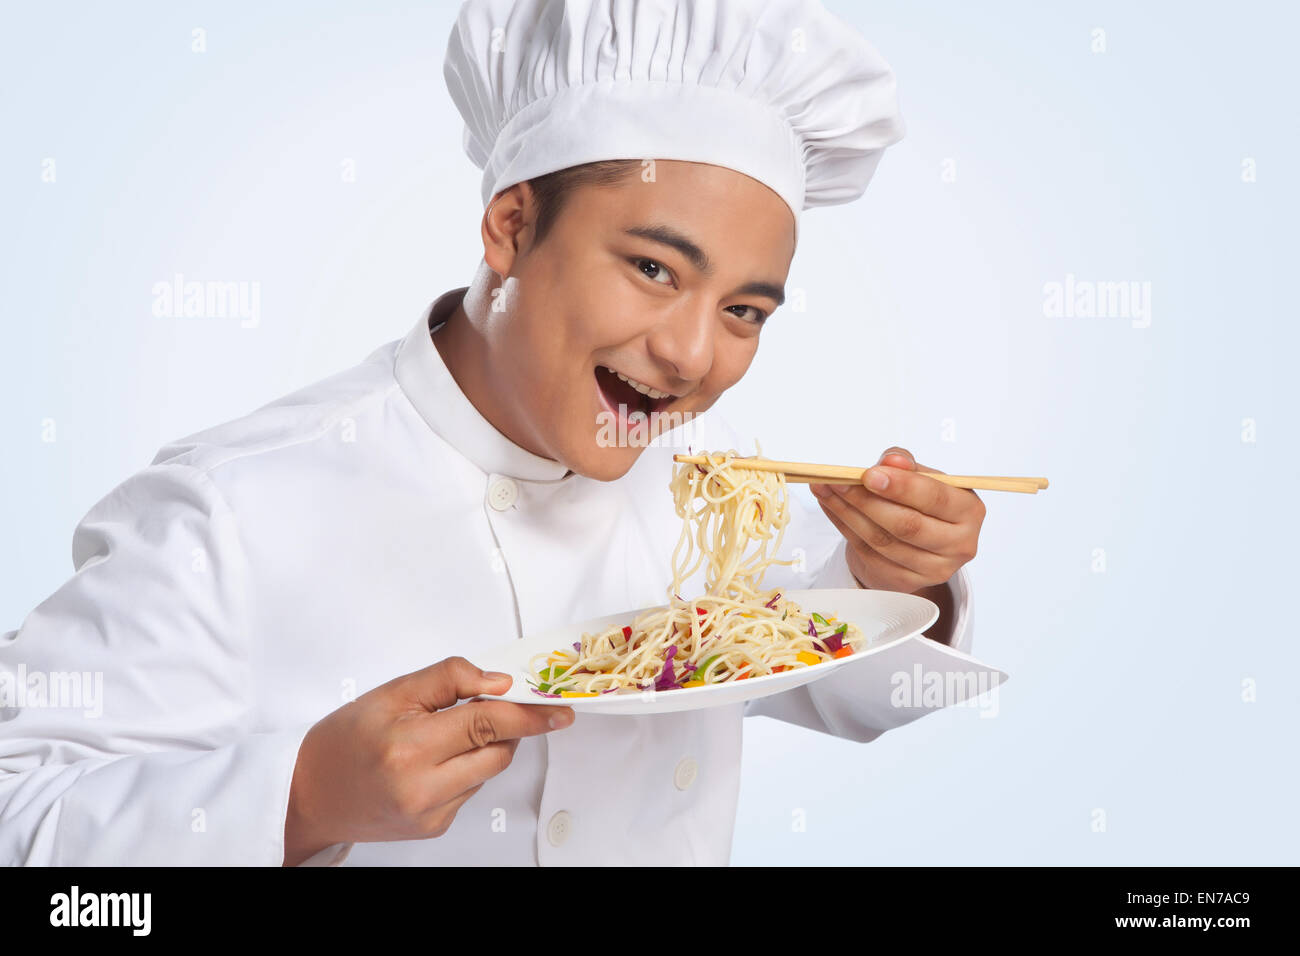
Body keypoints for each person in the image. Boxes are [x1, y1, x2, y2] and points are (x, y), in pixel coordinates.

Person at [0, 0, 986, 866]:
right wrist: (299, 801)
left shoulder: (711, 495)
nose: (692, 352)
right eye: (652, 267)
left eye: (745, 310)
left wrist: (905, 577)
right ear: (510, 226)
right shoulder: (233, 507)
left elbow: (869, 686)